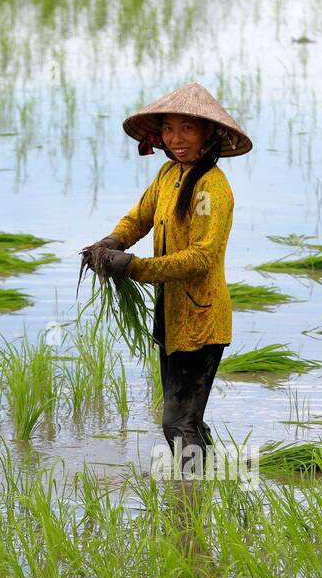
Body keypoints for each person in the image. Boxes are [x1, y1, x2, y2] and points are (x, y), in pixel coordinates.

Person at [81, 82, 252, 474]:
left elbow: (200, 258)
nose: (177, 139)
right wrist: (110, 243)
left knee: (177, 423)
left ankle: (191, 501)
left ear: (209, 134)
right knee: (184, 421)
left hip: (201, 321)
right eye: (170, 129)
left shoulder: (211, 189)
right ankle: (203, 491)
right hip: (173, 317)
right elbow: (139, 217)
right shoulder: (168, 174)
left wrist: (134, 267)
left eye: (188, 129)